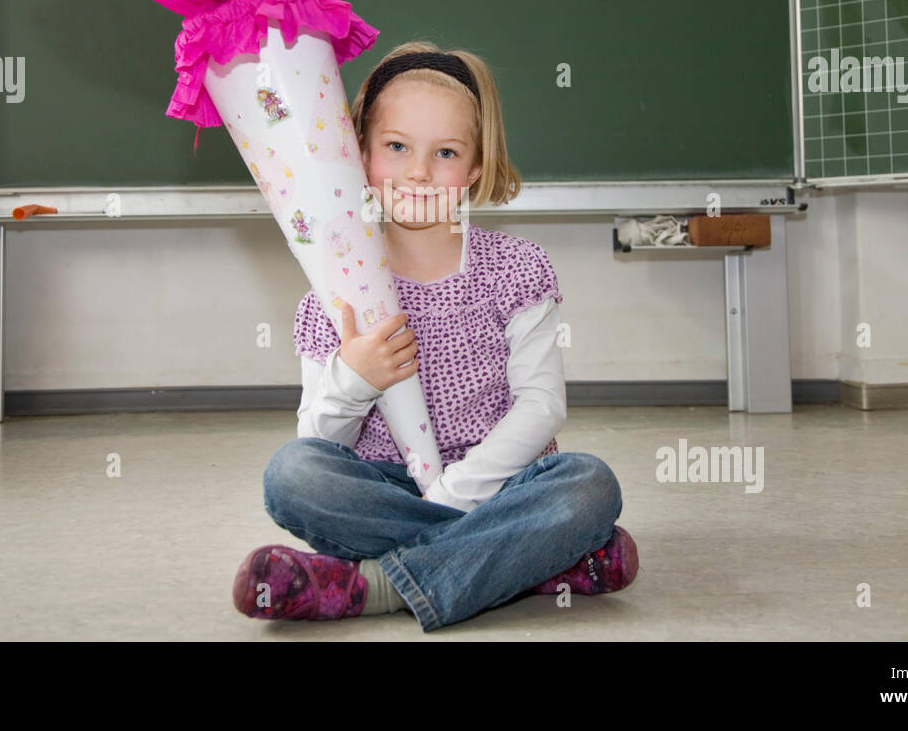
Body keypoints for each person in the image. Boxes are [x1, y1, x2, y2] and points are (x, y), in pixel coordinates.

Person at [232, 41, 637, 631]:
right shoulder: (334, 289)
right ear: (360, 154)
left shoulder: (515, 268)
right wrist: (353, 380)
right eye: (396, 147)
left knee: (588, 486)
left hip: (503, 482)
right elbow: (318, 441)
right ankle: (529, 559)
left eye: (444, 152)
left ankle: (373, 585)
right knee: (292, 476)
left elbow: (543, 406)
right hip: (389, 486)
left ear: (475, 166)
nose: (418, 172)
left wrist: (453, 495)